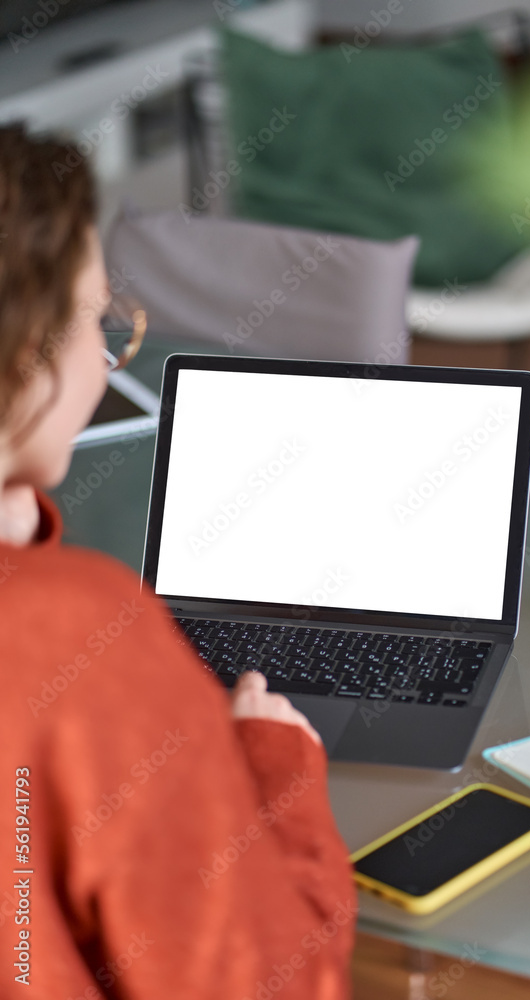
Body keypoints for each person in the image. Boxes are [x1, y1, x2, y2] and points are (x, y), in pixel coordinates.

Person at [0, 124, 356, 999]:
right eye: (95, 320)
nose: (102, 352)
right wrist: (275, 776)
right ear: (23, 353)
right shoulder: (75, 627)